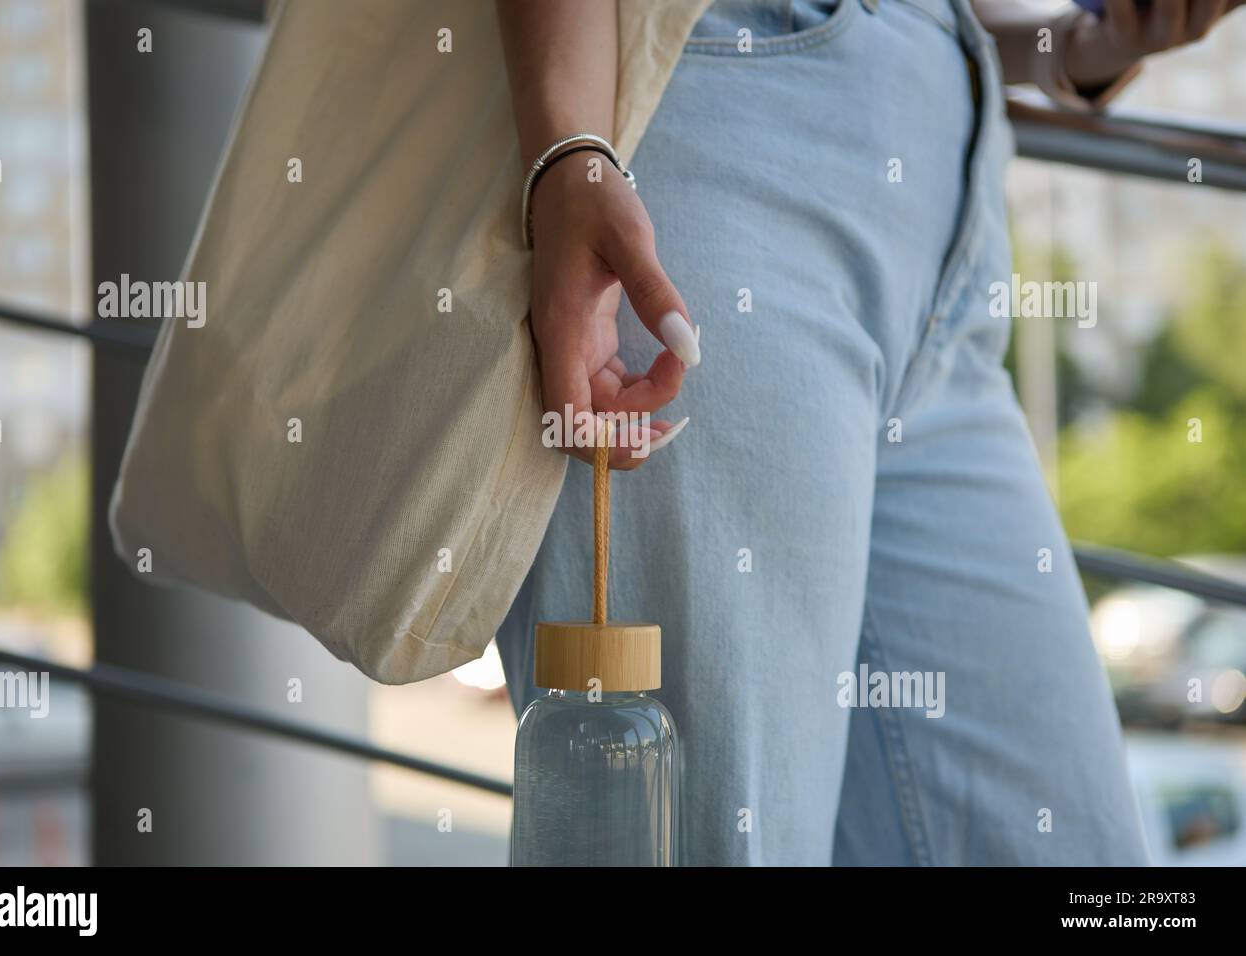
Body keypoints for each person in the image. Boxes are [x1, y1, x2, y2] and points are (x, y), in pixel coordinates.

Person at [492, 0, 1236, 865]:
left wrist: (1084, 43)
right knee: (714, 838)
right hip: (714, 160)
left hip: (951, 225)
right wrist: (569, 155)